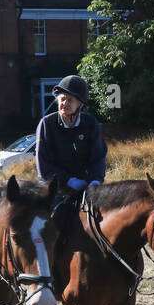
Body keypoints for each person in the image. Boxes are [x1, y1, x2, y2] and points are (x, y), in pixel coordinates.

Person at [34, 74, 107, 251]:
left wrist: (96, 181)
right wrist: (70, 181)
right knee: (55, 221)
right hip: (56, 186)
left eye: (70, 100)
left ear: (80, 104)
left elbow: (98, 156)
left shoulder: (91, 123)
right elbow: (43, 166)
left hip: (88, 185)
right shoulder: (47, 124)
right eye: (62, 99)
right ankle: (52, 264)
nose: (64, 103)